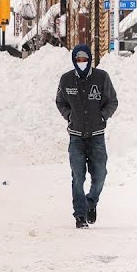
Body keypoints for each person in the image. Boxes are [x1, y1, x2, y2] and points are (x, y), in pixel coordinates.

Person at [55, 44, 118, 229]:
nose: (81, 62)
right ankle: (80, 215)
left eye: (84, 59)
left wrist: (102, 116)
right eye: (78, 59)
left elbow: (112, 101)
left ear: (90, 59)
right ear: (74, 60)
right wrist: (69, 115)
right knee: (78, 176)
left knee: (100, 175)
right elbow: (60, 102)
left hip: (96, 136)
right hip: (76, 137)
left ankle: (91, 202)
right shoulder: (66, 80)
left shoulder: (101, 77)